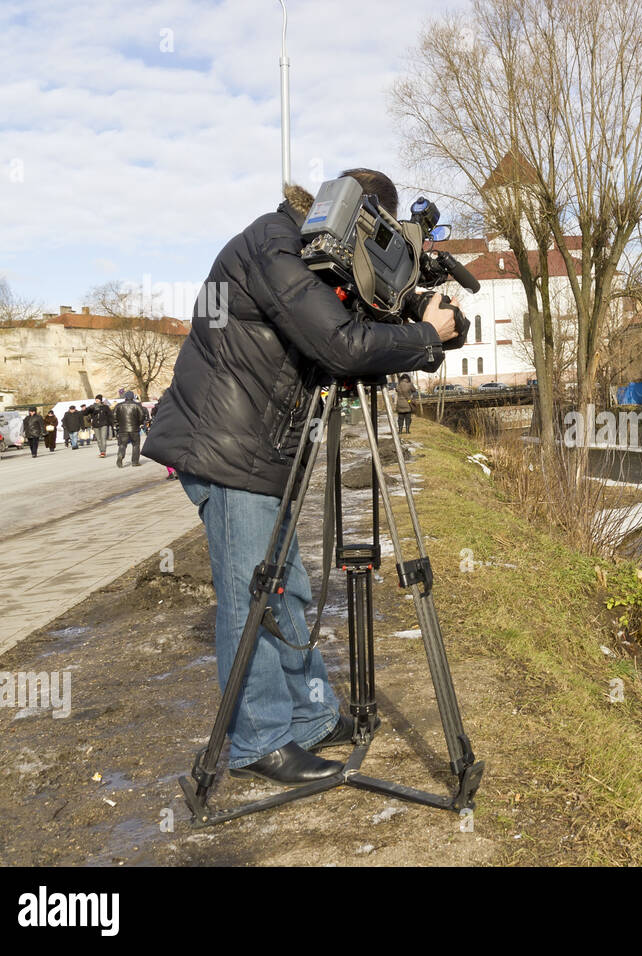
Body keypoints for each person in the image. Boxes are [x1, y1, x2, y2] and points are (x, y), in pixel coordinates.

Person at [143, 168, 466, 786]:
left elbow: (358, 333)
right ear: (358, 217)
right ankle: (260, 739)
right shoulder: (275, 244)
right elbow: (342, 345)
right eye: (379, 239)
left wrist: (422, 328)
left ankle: (311, 716)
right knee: (252, 597)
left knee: (285, 586)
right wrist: (425, 334)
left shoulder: (316, 262)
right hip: (228, 452)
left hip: (263, 456)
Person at [114, 391, 146, 467]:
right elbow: (142, 416)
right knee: (136, 445)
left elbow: (114, 417)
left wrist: (118, 424)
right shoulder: (137, 405)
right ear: (132, 397)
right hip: (134, 428)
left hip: (123, 429)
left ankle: (120, 456)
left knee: (122, 444)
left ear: (125, 397)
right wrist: (139, 423)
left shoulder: (119, 405)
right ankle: (135, 462)